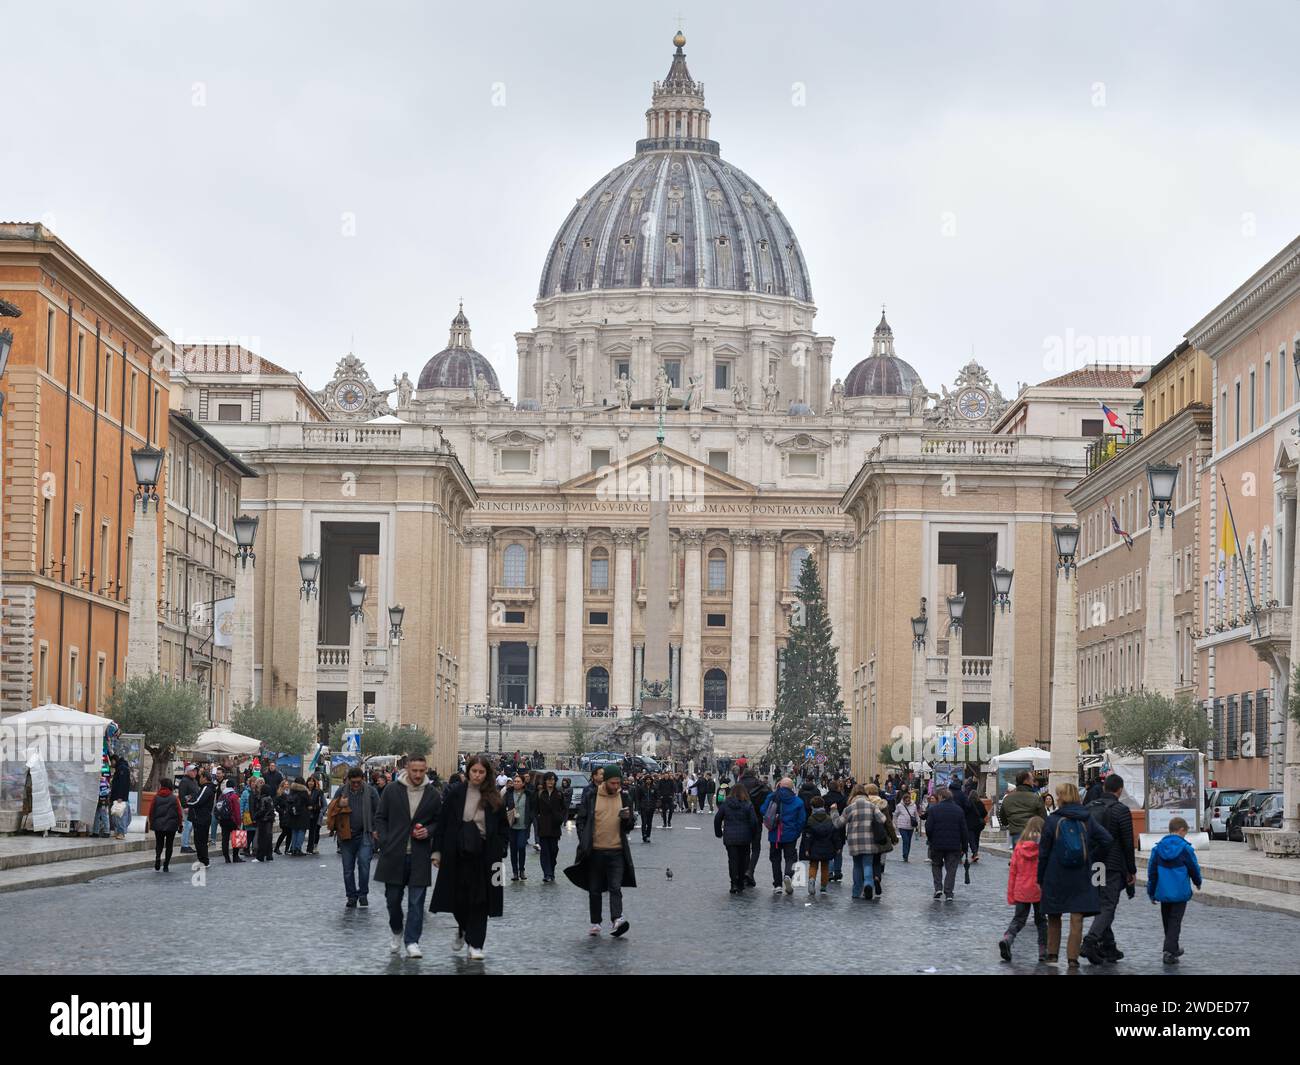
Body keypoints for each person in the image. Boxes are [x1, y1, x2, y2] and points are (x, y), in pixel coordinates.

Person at [431, 754, 509, 961]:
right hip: (457, 853)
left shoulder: (494, 797)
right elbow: (443, 823)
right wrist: (437, 851)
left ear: (487, 774)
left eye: (481, 772)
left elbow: (503, 827)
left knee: (481, 901)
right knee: (458, 899)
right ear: (468, 772)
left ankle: (476, 944)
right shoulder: (455, 794)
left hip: (486, 855)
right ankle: (463, 929)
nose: (477, 775)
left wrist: (500, 848)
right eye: (474, 771)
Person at [374, 754, 442, 959]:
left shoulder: (432, 794)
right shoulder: (392, 790)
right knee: (392, 900)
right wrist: (385, 841)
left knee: (417, 902)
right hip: (394, 854)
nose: (418, 775)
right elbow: (380, 817)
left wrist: (428, 831)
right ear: (407, 769)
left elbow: (439, 821)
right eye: (415, 770)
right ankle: (396, 929)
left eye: (422, 771)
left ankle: (412, 941)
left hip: (420, 855)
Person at [1037, 782, 1112, 967]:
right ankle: (1072, 958)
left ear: (1061, 797)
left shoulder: (1053, 820)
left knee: (1054, 915)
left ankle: (1053, 954)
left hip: (1055, 873)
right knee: (1076, 917)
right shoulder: (1087, 819)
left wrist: (1040, 877)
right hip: (1080, 873)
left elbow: (1044, 852)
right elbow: (1107, 840)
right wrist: (1091, 856)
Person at [566, 764, 636, 937]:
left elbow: (629, 825)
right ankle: (596, 922)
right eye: (613, 783)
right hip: (595, 850)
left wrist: (627, 819)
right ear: (605, 782)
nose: (616, 786)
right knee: (595, 889)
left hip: (617, 850)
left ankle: (617, 919)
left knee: (615, 887)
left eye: (618, 783)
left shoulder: (624, 798)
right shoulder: (591, 796)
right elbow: (581, 820)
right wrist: (584, 840)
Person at [1081, 773, 1137, 965]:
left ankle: (1108, 946)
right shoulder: (1121, 810)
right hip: (1113, 865)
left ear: (1105, 788)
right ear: (1119, 790)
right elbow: (1128, 843)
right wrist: (1131, 869)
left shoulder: (1089, 808)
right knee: (1108, 905)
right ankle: (1090, 941)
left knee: (1102, 903)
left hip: (1093, 863)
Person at [1146, 816, 1202, 964]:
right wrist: (1198, 882)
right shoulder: (1185, 849)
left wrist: (1151, 892)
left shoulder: (1158, 849)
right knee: (1175, 921)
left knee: (1167, 920)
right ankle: (1169, 951)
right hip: (1180, 892)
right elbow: (1193, 868)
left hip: (1163, 891)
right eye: (1185, 833)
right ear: (1181, 830)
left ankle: (1173, 948)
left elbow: (1152, 872)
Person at [327, 767, 379, 907]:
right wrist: (339, 804)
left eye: (358, 782)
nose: (356, 784)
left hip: (365, 834)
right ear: (348, 780)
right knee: (348, 869)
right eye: (353, 782)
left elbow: (379, 811)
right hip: (346, 835)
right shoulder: (342, 791)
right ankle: (351, 896)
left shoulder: (371, 791)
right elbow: (330, 810)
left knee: (364, 865)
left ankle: (363, 894)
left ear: (363, 779)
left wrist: (376, 829)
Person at [999, 815, 1048, 962]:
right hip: (1039, 889)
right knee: (1041, 921)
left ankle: (1007, 938)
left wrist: (1011, 894)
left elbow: (1013, 872)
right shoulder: (1044, 847)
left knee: (1019, 919)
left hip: (1021, 888)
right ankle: (1042, 951)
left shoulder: (1019, 847)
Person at [835, 784, 888, 900]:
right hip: (870, 840)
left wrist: (834, 812)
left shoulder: (849, 808)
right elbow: (883, 819)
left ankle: (856, 891)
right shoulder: (872, 806)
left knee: (857, 866)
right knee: (868, 864)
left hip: (854, 841)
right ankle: (868, 884)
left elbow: (838, 824)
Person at [759, 777, 807, 895]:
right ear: (792, 788)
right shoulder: (798, 801)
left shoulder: (772, 796)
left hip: (774, 834)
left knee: (775, 859)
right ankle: (788, 875)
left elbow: (763, 810)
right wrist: (796, 832)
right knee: (790, 857)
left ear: (779, 786)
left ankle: (777, 885)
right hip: (790, 834)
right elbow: (802, 820)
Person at [921, 787, 967, 901]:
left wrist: (931, 839)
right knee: (951, 869)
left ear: (941, 797)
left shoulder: (934, 810)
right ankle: (949, 892)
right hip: (954, 845)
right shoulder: (959, 810)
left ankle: (938, 888)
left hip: (937, 844)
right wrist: (965, 846)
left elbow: (928, 827)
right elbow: (964, 830)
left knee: (936, 865)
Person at [714, 784, 758, 894]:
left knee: (732, 860)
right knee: (744, 860)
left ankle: (733, 883)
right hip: (745, 837)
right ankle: (741, 882)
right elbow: (753, 821)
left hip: (730, 837)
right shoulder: (748, 804)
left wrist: (719, 832)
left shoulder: (726, 804)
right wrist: (753, 834)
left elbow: (717, 819)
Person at [798, 795, 838, 897]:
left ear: (812, 807)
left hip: (813, 847)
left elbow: (808, 836)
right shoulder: (829, 819)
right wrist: (838, 846)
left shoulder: (810, 820)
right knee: (825, 867)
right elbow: (834, 834)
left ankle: (812, 879)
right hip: (827, 847)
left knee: (813, 865)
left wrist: (806, 848)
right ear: (823, 806)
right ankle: (823, 887)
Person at [864, 783, 898, 895]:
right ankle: (877, 877)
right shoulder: (882, 803)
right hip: (880, 835)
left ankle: (867, 883)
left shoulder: (864, 803)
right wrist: (893, 837)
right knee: (877, 860)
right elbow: (888, 822)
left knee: (867, 861)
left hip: (866, 835)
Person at [999, 771, 1048, 848]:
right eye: (1032, 780)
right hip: (1033, 834)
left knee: (1019, 857)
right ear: (1026, 781)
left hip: (1016, 834)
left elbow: (1003, 821)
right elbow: (1044, 818)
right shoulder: (1036, 798)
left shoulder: (1007, 798)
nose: (1033, 782)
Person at [739, 767, 770, 888]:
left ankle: (745, 872)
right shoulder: (761, 785)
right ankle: (750, 871)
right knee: (756, 848)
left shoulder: (739, 785)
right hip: (757, 819)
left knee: (745, 847)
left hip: (742, 820)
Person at [534, 772, 567, 883]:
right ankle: (547, 873)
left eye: (552, 780)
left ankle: (551, 870)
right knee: (545, 852)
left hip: (554, 826)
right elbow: (535, 809)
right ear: (545, 781)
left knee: (553, 850)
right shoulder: (540, 794)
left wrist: (560, 818)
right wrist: (537, 819)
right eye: (548, 779)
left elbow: (564, 808)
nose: (550, 782)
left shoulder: (559, 794)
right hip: (543, 826)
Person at [147, 777, 183, 872]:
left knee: (159, 843)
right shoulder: (174, 798)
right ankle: (166, 865)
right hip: (171, 825)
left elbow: (151, 811)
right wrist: (180, 825)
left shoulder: (156, 797)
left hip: (158, 825)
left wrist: (152, 822)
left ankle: (158, 857)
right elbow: (179, 813)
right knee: (169, 845)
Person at [504, 774, 533, 882]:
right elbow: (502, 806)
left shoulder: (528, 794)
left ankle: (522, 870)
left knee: (521, 847)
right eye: (515, 781)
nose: (516, 783)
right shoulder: (508, 793)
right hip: (512, 826)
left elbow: (532, 808)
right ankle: (515, 872)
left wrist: (530, 818)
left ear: (523, 783)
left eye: (518, 781)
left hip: (523, 826)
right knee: (513, 849)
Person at [185, 771, 215, 866]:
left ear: (205, 778)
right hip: (202, 817)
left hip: (201, 818)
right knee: (201, 840)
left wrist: (188, 802)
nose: (199, 779)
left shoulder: (206, 788)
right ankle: (203, 860)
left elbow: (198, 801)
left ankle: (203, 861)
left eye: (200, 777)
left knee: (200, 841)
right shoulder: (207, 788)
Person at [216, 777, 243, 863]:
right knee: (237, 837)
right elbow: (237, 810)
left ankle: (226, 858)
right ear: (234, 787)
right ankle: (235, 857)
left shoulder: (222, 795)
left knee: (225, 839)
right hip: (232, 820)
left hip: (223, 820)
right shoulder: (234, 796)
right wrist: (239, 822)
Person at [252, 778, 276, 862]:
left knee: (261, 839)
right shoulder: (270, 798)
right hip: (269, 820)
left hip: (263, 820)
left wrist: (256, 815)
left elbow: (262, 810)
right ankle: (269, 855)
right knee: (269, 838)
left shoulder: (263, 798)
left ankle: (260, 856)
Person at [109, 755, 132, 839]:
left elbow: (122, 784)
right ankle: (118, 831)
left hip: (120, 797)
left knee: (120, 815)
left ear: (114, 760)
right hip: (117, 796)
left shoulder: (122, 768)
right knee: (116, 814)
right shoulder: (119, 768)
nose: (110, 764)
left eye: (111, 762)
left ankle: (121, 833)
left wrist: (120, 796)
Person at [894, 788, 920, 862]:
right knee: (905, 840)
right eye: (906, 801)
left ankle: (906, 855)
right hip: (902, 826)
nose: (907, 802)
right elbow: (895, 815)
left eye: (908, 801)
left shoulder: (914, 805)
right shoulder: (899, 806)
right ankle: (905, 855)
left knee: (909, 841)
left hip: (910, 827)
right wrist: (895, 824)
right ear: (903, 800)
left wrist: (917, 823)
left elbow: (916, 815)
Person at [178, 765, 199, 852]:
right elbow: (182, 795)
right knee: (188, 826)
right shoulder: (184, 781)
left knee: (190, 826)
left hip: (193, 806)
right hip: (187, 807)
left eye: (195, 771)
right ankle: (184, 846)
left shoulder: (194, 781)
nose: (195, 772)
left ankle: (186, 844)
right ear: (188, 771)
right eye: (192, 771)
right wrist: (185, 806)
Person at [634, 772, 658, 843]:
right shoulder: (641, 788)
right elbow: (638, 798)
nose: (648, 780)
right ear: (645, 780)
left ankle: (648, 836)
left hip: (651, 807)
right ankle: (644, 835)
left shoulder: (654, 787)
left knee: (649, 823)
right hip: (643, 807)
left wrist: (656, 805)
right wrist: (638, 807)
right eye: (647, 779)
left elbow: (656, 797)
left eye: (649, 779)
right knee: (644, 822)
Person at [305, 776, 324, 855]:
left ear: (315, 783)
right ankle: (296, 847)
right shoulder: (304, 791)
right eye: (309, 781)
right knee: (302, 831)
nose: (311, 783)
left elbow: (320, 804)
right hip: (305, 814)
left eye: (312, 781)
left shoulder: (318, 792)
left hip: (314, 814)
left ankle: (310, 848)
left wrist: (313, 807)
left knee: (312, 831)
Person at [273, 780, 292, 854]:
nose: (287, 785)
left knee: (290, 833)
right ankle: (277, 847)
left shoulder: (290, 793)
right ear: (282, 785)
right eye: (285, 784)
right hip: (284, 816)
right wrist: (281, 811)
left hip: (290, 816)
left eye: (287, 784)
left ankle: (286, 849)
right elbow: (275, 805)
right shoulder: (280, 794)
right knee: (285, 832)